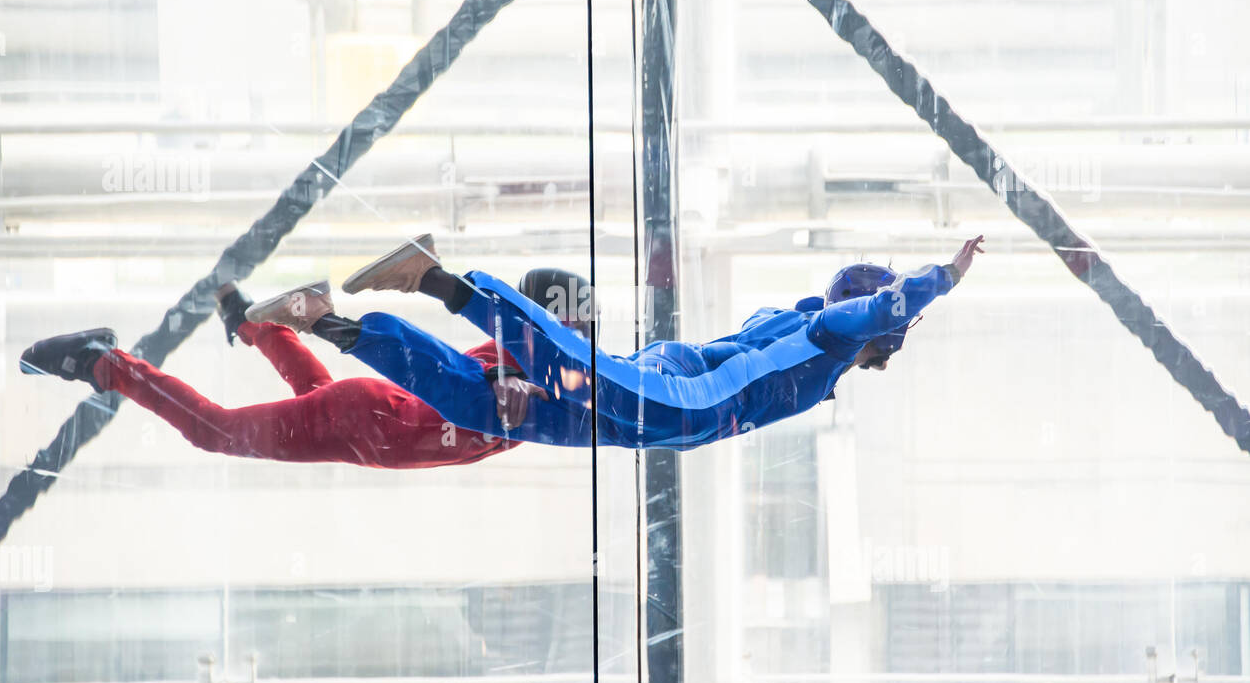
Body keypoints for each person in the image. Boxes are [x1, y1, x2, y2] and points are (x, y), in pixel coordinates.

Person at [249, 232, 985, 451]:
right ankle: (438, 280)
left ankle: (324, 319)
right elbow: (880, 305)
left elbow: (857, 308)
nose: (895, 339)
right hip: (682, 407)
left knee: (490, 411)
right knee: (563, 361)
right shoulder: (829, 335)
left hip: (671, 385)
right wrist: (942, 277)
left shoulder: (802, 322)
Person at [15, 268, 587, 469]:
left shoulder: (547, 376)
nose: (583, 349)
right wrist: (503, 382)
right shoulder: (525, 371)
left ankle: (253, 320)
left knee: (311, 390)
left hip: (374, 432)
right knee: (216, 433)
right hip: (372, 423)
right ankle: (102, 363)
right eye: (578, 331)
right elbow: (479, 376)